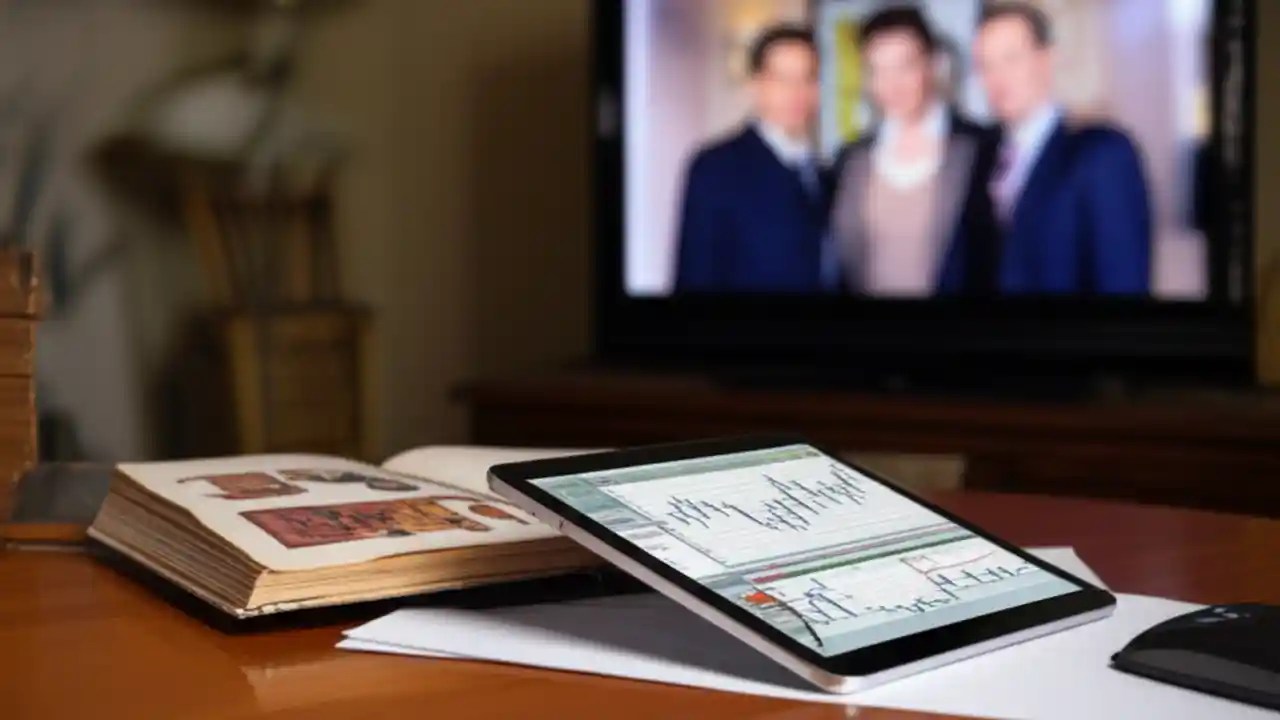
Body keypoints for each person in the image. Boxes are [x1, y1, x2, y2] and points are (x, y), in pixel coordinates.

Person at [975, 2, 1152, 295]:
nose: (997, 78)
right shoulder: (983, 156)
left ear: (1046, 59)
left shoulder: (1103, 153)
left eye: (1011, 59)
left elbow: (1123, 282)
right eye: (985, 65)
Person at [831, 7, 998, 297]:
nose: (891, 84)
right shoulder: (850, 159)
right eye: (878, 70)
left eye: (904, 66)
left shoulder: (981, 148)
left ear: (930, 64)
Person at [675, 26, 834, 293]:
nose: (797, 92)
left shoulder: (825, 173)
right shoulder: (715, 168)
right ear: (755, 85)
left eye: (808, 78)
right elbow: (694, 275)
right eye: (782, 79)